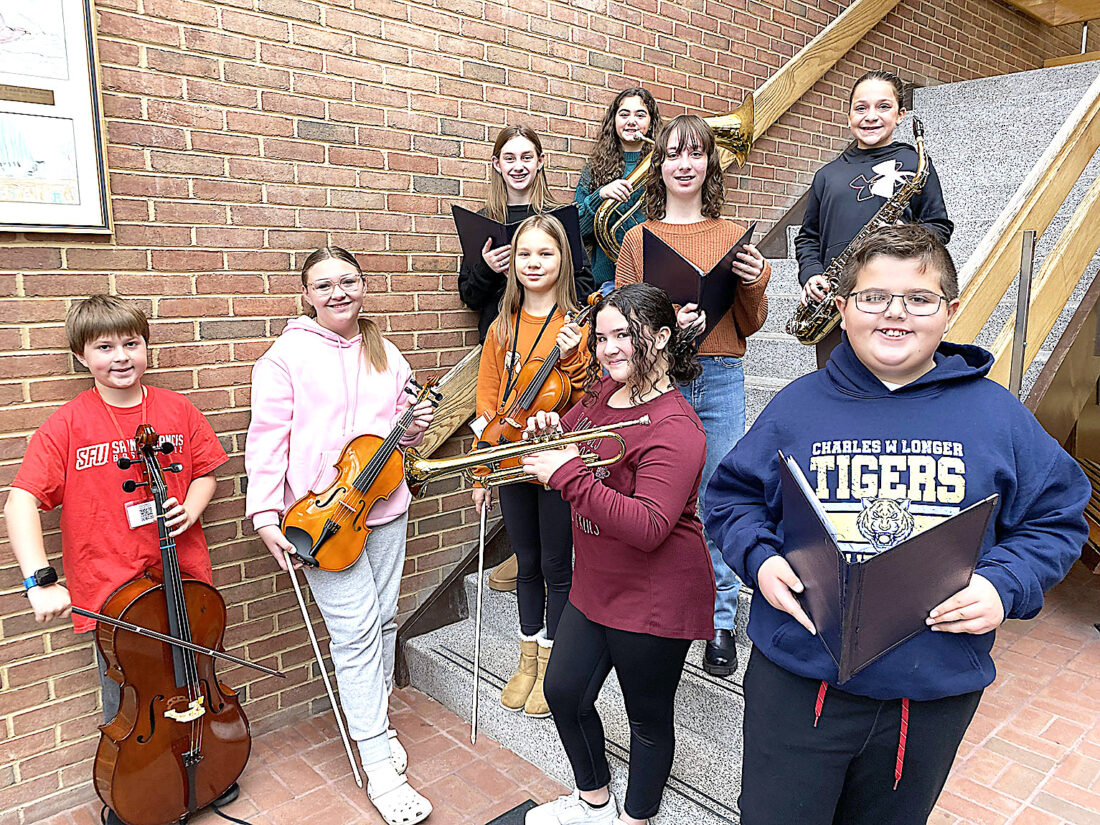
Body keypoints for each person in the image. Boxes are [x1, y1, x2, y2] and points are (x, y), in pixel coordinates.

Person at [704, 225, 1089, 825]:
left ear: (950, 310)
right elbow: (730, 499)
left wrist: (1003, 584)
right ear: (842, 308)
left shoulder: (997, 416)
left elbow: (1057, 518)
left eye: (918, 298)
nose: (895, 314)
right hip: (801, 684)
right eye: (874, 297)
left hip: (929, 693)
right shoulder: (796, 406)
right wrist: (760, 558)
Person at [4, 295, 230, 825]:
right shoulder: (68, 424)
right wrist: (39, 579)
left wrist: (191, 509)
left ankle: (203, 771)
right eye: (105, 347)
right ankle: (135, 797)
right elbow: (20, 499)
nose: (121, 356)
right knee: (130, 701)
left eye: (132, 343)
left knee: (196, 681)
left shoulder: (177, 410)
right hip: (114, 597)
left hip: (184, 584)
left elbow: (206, 471)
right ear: (83, 357)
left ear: (146, 346)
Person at [245, 247, 434, 825]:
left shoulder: (387, 351)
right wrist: (264, 516)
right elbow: (266, 440)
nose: (337, 293)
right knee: (354, 636)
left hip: (384, 508)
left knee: (384, 622)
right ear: (306, 294)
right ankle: (378, 761)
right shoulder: (283, 358)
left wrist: (415, 426)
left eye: (348, 281)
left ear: (363, 286)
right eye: (323, 285)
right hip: (322, 523)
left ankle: (373, 721)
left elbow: (402, 435)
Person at [520, 282, 715, 825]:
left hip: (656, 594)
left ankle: (637, 818)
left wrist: (567, 477)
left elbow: (650, 525)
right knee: (563, 692)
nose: (608, 348)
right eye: (601, 336)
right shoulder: (603, 394)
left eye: (623, 335)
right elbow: (581, 443)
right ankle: (593, 802)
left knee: (647, 720)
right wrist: (553, 431)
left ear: (660, 336)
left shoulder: (677, 427)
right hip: (597, 582)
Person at [615, 113, 770, 677]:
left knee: (719, 498)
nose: (685, 164)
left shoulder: (732, 236)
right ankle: (669, 608)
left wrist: (753, 282)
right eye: (674, 153)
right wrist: (661, 323)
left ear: (709, 163)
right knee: (663, 503)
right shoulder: (638, 239)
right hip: (661, 381)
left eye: (695, 153)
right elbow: (623, 325)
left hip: (722, 374)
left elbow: (748, 325)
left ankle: (721, 621)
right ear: (660, 164)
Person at [473, 214, 588, 718]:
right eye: (525, 255)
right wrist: (481, 471)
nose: (534, 263)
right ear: (512, 264)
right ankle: (526, 656)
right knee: (527, 563)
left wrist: (570, 360)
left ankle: (552, 662)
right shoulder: (501, 327)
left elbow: (585, 401)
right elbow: (487, 402)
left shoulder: (575, 327)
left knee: (558, 566)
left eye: (545, 253)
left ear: (562, 260)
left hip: (557, 462)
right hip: (511, 460)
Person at [796, 69, 953, 368]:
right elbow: (808, 236)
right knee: (838, 385)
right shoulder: (826, 175)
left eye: (883, 106)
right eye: (861, 107)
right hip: (837, 302)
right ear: (848, 116)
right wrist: (811, 273)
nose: (871, 116)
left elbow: (939, 225)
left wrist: (905, 237)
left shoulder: (915, 162)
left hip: (896, 298)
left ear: (901, 114)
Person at [458, 124, 595, 342]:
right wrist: (487, 269)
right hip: (500, 341)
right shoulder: (483, 221)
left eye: (526, 157)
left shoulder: (560, 218)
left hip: (551, 339)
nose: (518, 166)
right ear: (497, 164)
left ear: (540, 162)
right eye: (509, 158)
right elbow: (469, 297)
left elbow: (584, 285)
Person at [574, 87, 662, 290]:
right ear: (614, 121)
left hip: (651, 280)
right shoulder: (593, 170)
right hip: (606, 283)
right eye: (624, 114)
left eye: (640, 115)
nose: (632, 121)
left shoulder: (663, 167)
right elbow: (577, 230)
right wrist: (600, 196)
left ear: (650, 123)